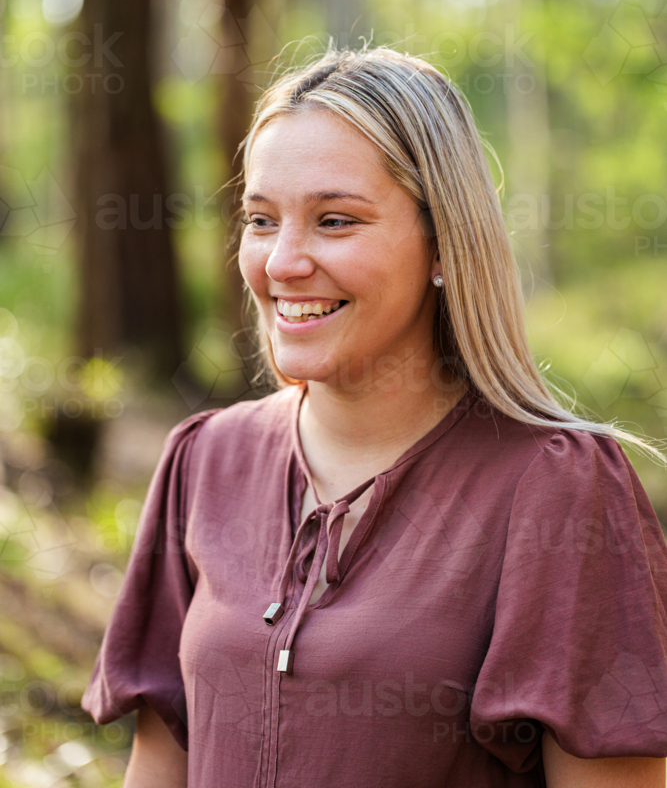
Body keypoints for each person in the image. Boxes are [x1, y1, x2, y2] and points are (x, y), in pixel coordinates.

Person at [81, 47, 667, 788]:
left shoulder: (558, 488)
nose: (283, 262)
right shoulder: (206, 460)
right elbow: (160, 764)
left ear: (442, 245)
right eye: (260, 220)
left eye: (334, 220)